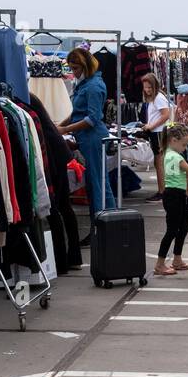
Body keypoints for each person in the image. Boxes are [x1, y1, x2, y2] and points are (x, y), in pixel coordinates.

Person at [57, 48, 114, 241]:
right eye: (71, 68)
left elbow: (92, 119)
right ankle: (105, 228)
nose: (73, 72)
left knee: (97, 185)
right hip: (86, 138)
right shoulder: (85, 84)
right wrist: (59, 126)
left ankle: (101, 230)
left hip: (93, 139)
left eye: (75, 68)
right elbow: (77, 113)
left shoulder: (93, 87)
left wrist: (64, 129)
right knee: (97, 184)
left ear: (85, 65)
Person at [153, 124, 188, 277]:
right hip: (174, 195)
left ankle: (177, 259)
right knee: (172, 230)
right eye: (184, 144)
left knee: (183, 227)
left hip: (177, 194)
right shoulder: (176, 157)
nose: (185, 148)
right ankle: (159, 264)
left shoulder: (168, 153)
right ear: (173, 140)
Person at [139, 72, 171, 202]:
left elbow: (165, 115)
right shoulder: (155, 97)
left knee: (159, 163)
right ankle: (162, 190)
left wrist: (151, 126)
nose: (147, 90)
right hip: (155, 131)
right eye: (145, 87)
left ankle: (162, 191)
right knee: (158, 163)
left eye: (149, 87)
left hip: (158, 132)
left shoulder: (158, 98)